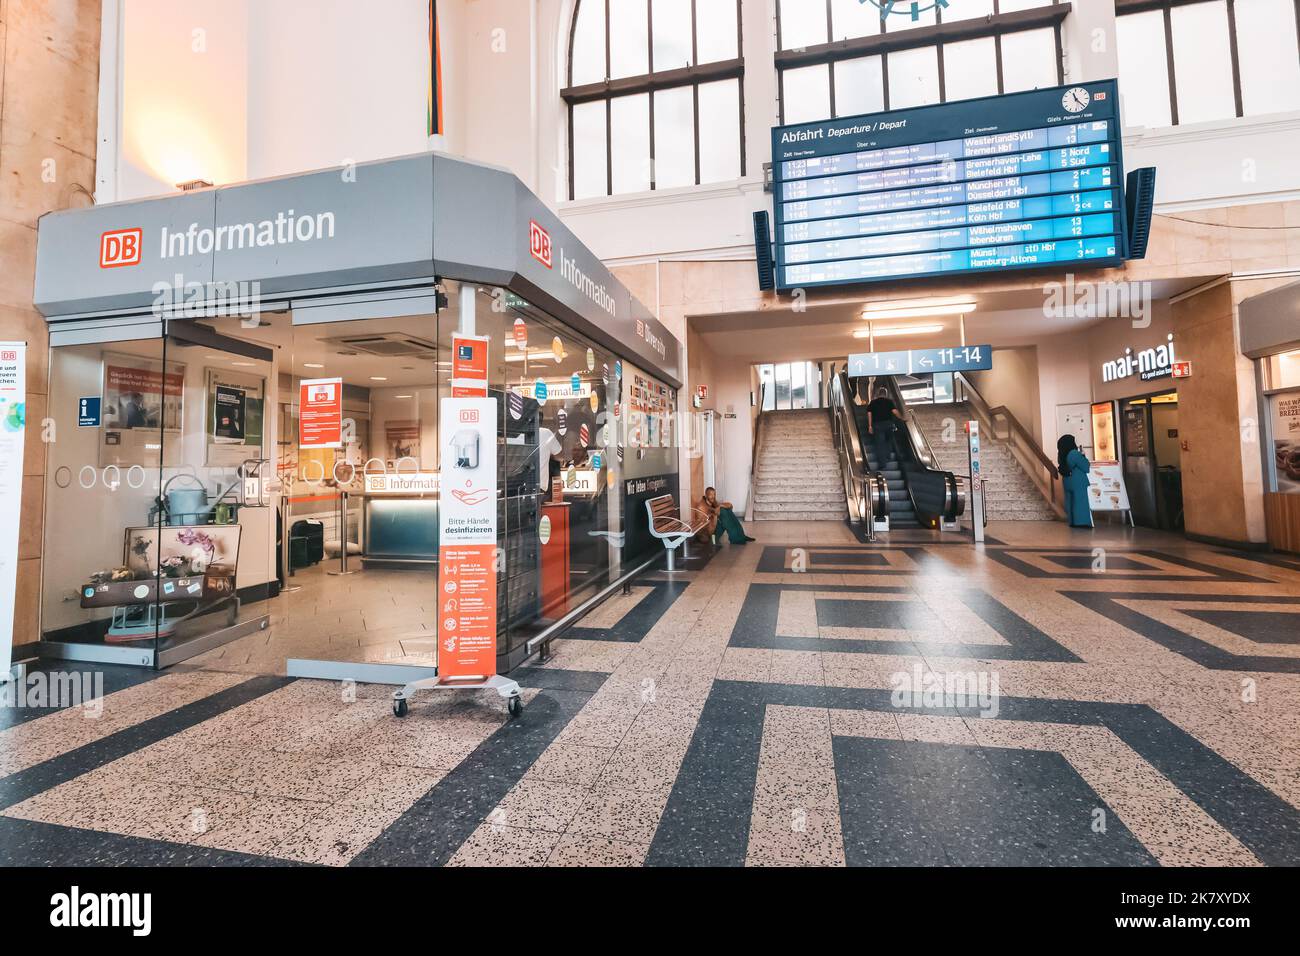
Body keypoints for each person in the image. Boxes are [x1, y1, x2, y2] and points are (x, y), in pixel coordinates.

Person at [1057, 434, 1094, 528]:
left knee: (1070, 501)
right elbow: (1086, 467)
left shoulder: (1061, 454)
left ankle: (1072, 521)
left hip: (1067, 480)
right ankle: (1081, 522)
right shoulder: (1074, 453)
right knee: (1080, 501)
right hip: (1078, 481)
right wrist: (1083, 455)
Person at [866, 386, 904, 467]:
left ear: (878, 394)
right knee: (888, 441)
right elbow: (895, 412)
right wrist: (902, 418)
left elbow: (869, 414)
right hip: (888, 424)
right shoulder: (889, 402)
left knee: (880, 444)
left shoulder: (873, 402)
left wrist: (870, 426)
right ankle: (888, 456)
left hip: (877, 425)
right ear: (885, 394)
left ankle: (882, 463)